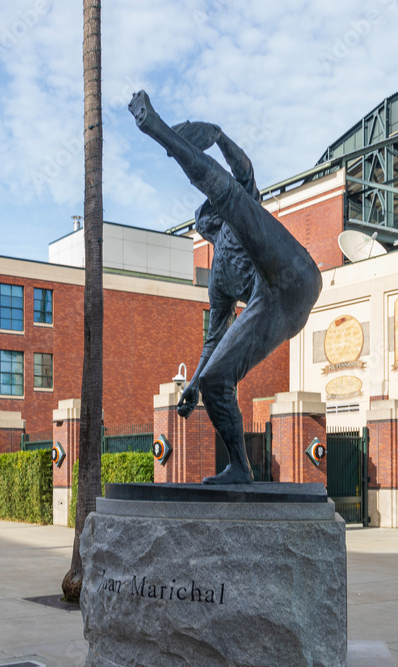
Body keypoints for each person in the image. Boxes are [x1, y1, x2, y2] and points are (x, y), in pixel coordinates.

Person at [129, 90, 322, 484]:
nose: (209, 219)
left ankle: (159, 130)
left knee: (233, 195)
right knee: (218, 381)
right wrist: (196, 383)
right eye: (207, 218)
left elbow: (243, 169)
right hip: (273, 307)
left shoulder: (239, 208)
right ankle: (240, 468)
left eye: (211, 212)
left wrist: (218, 136)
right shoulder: (217, 277)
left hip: (294, 273)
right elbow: (213, 339)